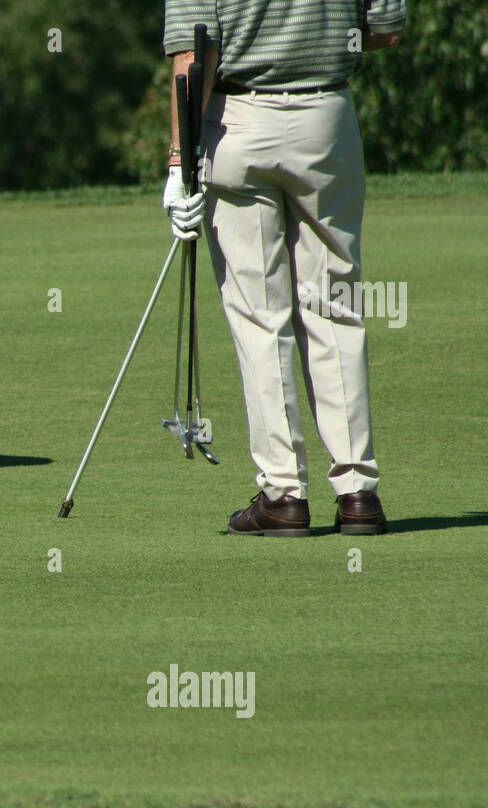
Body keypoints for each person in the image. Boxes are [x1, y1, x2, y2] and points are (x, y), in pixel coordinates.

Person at [162, 0, 405, 535]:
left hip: (238, 124)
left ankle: (285, 495)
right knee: (334, 305)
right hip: (327, 120)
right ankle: (358, 492)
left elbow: (192, 54)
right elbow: (386, 31)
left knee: (260, 315)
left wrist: (179, 162)